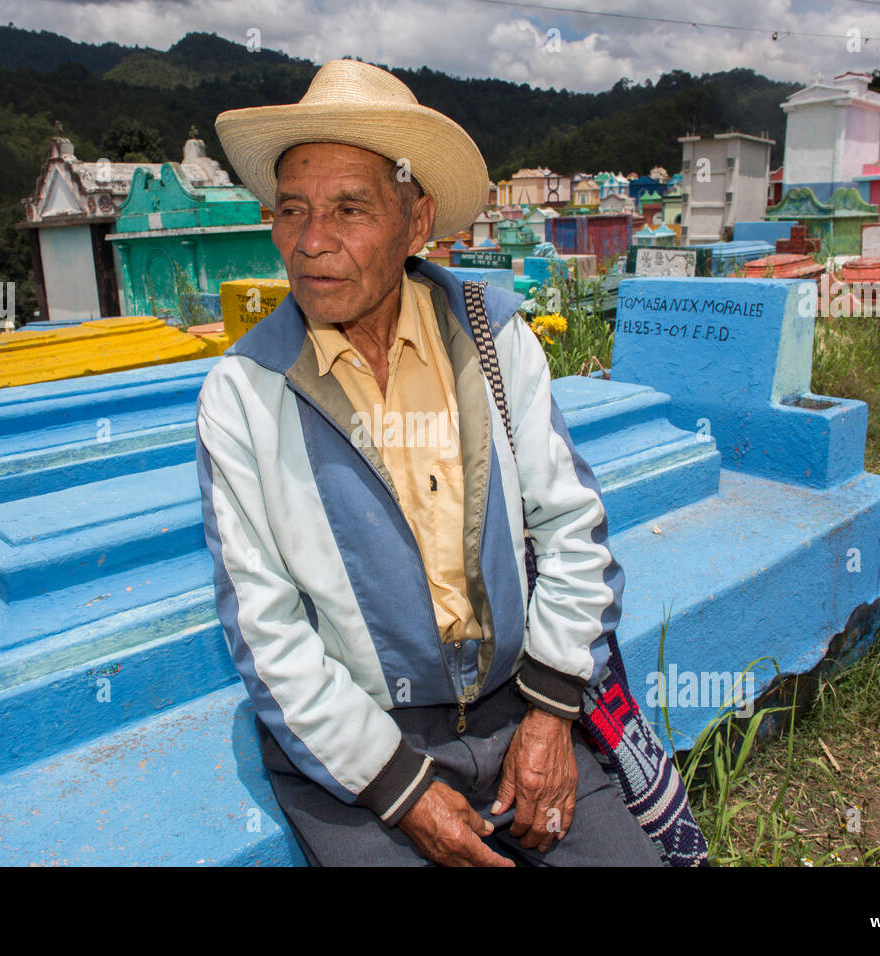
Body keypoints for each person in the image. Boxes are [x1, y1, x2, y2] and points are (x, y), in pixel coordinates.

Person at [198, 58, 661, 867]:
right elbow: (266, 631)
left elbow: (571, 525)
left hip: (525, 707)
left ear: (416, 225)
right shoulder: (242, 394)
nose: (312, 243)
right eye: (293, 210)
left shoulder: (493, 338)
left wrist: (551, 715)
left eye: (350, 210)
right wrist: (399, 789)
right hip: (360, 753)